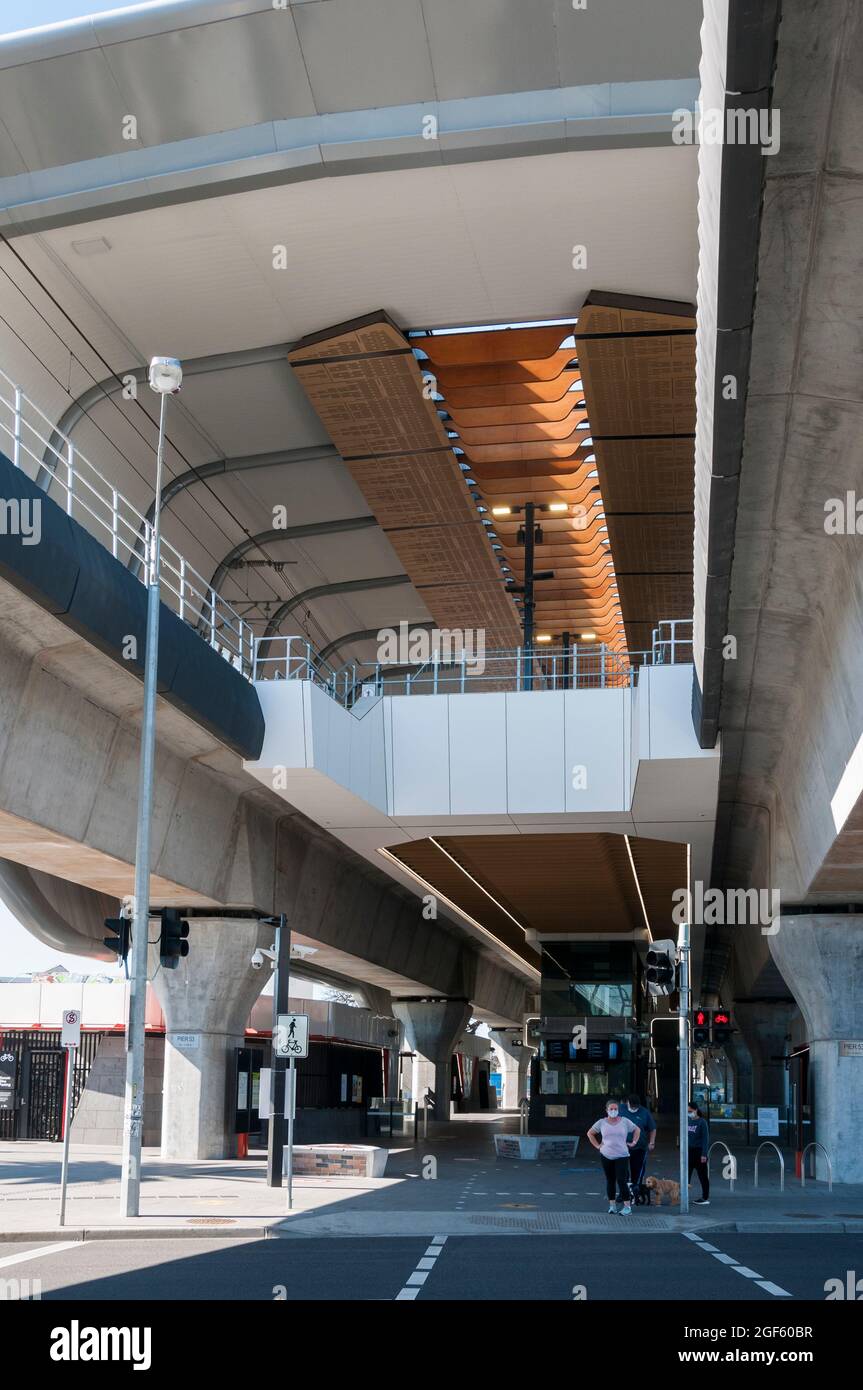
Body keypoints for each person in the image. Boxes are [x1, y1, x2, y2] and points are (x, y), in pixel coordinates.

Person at [587, 1099, 641, 1215]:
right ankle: (612, 1206)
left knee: (622, 1180)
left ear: (618, 1110)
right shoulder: (601, 1122)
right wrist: (597, 1146)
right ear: (606, 1110)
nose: (613, 1111)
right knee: (610, 1180)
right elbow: (590, 1133)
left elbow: (637, 1129)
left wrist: (634, 1142)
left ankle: (627, 1207)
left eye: (615, 1109)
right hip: (606, 1155)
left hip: (621, 1155)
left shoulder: (625, 1121)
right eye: (611, 1109)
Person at [622, 1093, 656, 1198]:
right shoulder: (620, 1109)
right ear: (627, 1103)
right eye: (632, 1107)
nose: (634, 1109)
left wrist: (651, 1142)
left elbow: (652, 1128)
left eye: (636, 1107)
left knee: (637, 1171)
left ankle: (636, 1192)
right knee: (622, 1171)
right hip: (622, 1147)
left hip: (639, 1147)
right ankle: (624, 1192)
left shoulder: (644, 1112)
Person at [687, 1100, 710, 1204]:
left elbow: (705, 1139)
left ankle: (705, 1197)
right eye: (688, 1111)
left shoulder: (702, 1122)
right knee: (686, 1175)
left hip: (699, 1151)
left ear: (696, 1110)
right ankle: (683, 1196)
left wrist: (704, 1154)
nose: (689, 1113)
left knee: (702, 1176)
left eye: (690, 1111)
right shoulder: (687, 1121)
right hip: (689, 1151)